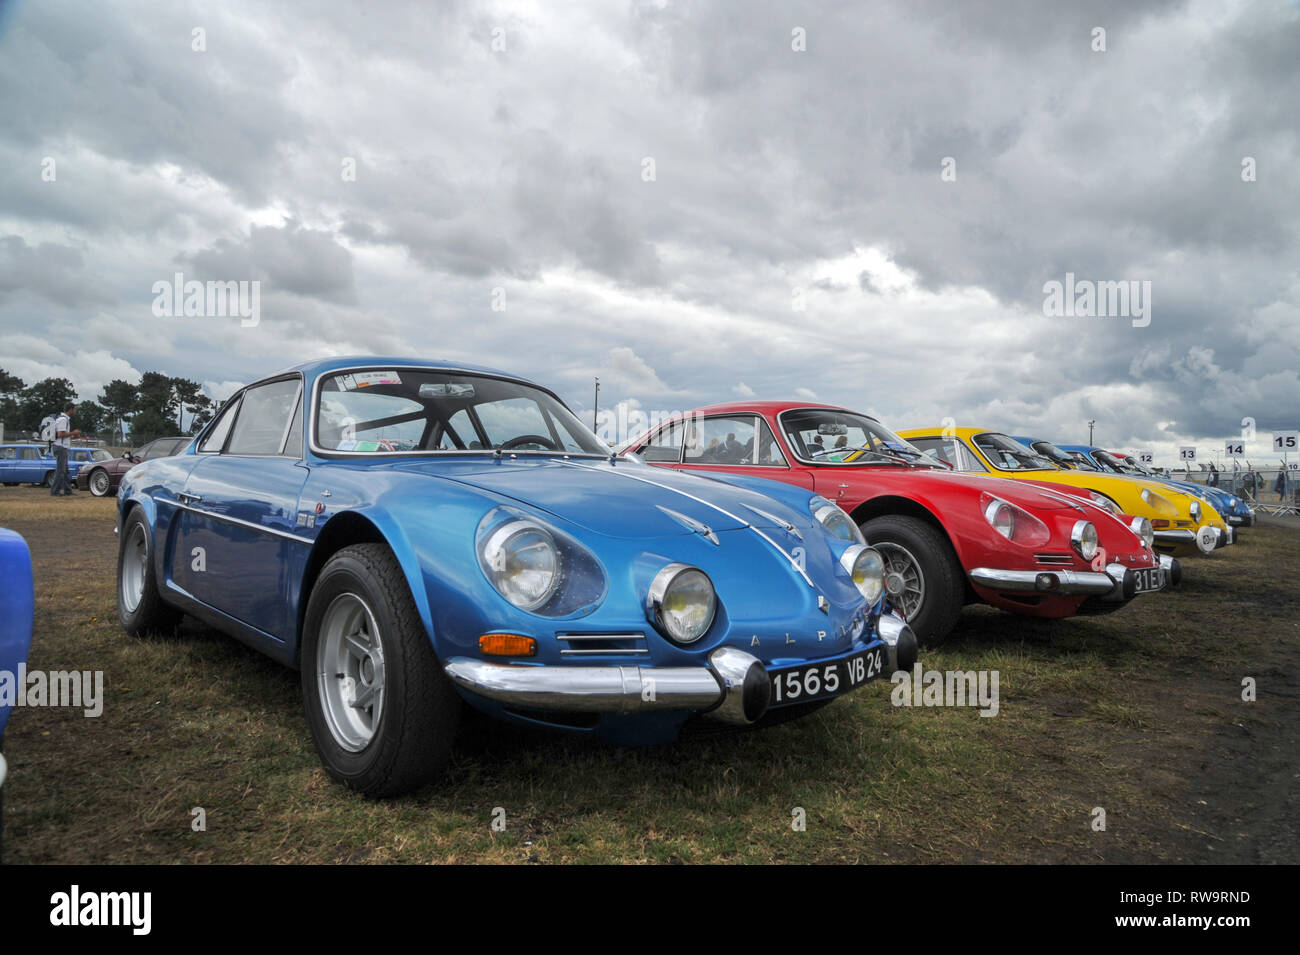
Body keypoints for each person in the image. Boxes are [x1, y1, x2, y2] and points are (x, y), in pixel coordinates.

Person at [50, 402, 82, 497]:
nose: (75, 411)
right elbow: (60, 434)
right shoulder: (63, 420)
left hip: (61, 447)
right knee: (60, 470)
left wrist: (72, 435)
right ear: (70, 410)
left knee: (64, 470)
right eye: (74, 409)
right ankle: (54, 491)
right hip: (61, 448)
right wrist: (73, 433)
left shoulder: (63, 419)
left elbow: (63, 436)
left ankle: (68, 491)